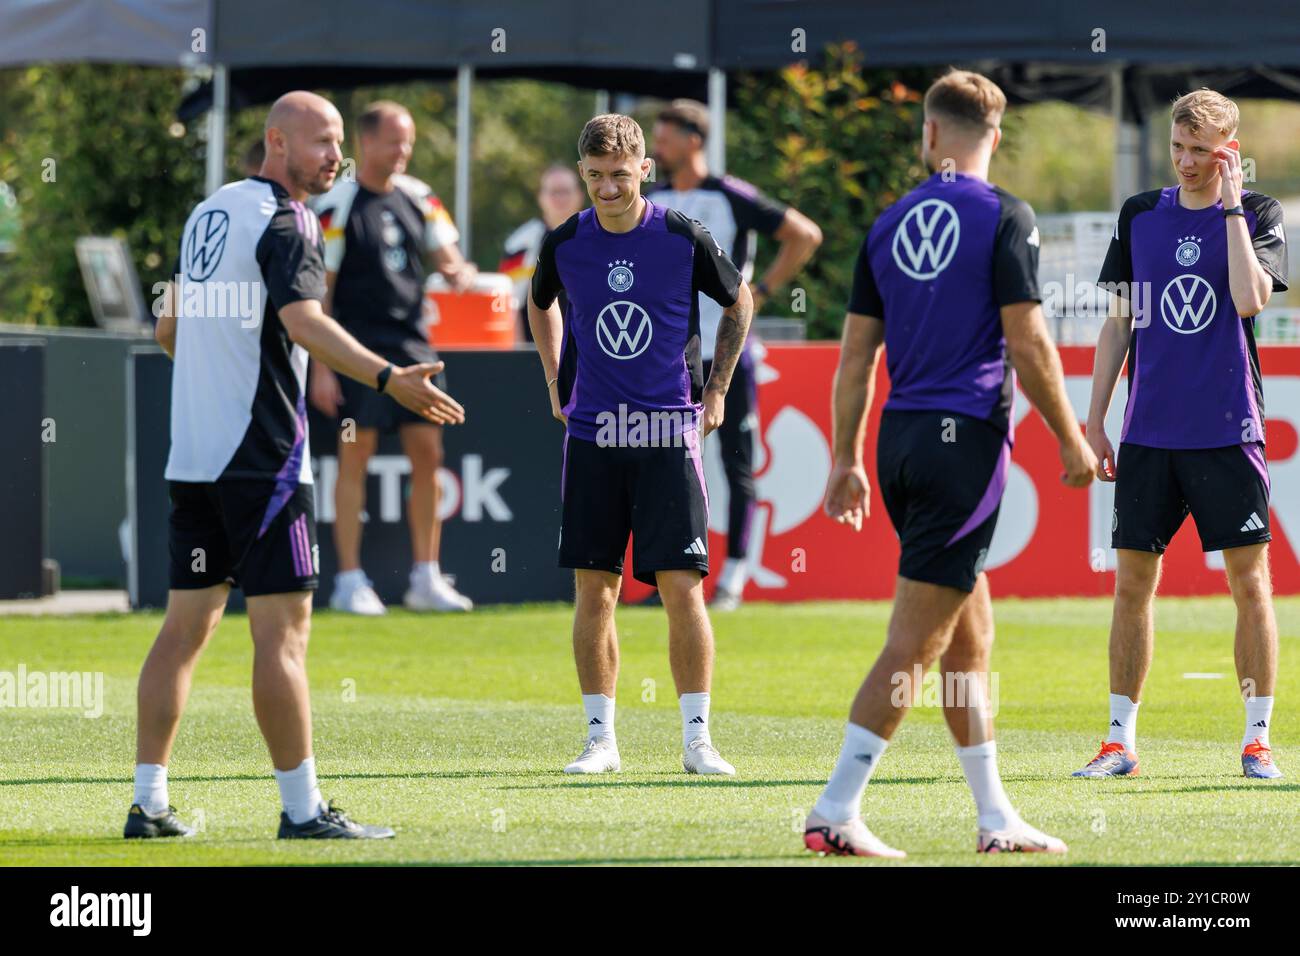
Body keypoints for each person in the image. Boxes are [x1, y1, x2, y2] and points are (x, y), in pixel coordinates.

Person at [130, 91, 464, 840]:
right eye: (321, 141)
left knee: (183, 629)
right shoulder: (290, 220)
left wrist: (224, 371)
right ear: (276, 143)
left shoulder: (208, 213)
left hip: (194, 458)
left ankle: (148, 803)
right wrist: (389, 378)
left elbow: (167, 329)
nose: (333, 156)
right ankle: (303, 810)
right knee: (282, 636)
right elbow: (305, 321)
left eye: (339, 140)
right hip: (263, 462)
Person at [805, 70, 1096, 857]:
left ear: (929, 134)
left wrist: (843, 459)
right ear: (993, 137)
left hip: (898, 445)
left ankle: (995, 816)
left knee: (969, 641)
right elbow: (1027, 339)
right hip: (963, 444)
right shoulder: (1005, 215)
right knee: (916, 646)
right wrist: (1070, 437)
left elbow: (856, 356)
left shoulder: (889, 221)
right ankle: (836, 807)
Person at [528, 113, 754, 775]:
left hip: (667, 434)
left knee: (682, 587)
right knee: (594, 589)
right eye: (594, 176)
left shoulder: (681, 235)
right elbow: (537, 301)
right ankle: (600, 740)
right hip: (594, 435)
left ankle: (697, 741)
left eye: (618, 175)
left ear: (644, 171)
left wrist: (715, 392)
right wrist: (552, 378)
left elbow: (738, 301)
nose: (606, 188)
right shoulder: (565, 241)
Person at [1074, 89, 1288, 780]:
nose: (1186, 162)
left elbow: (1250, 299)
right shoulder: (1141, 214)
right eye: (1178, 148)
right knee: (1132, 582)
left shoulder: (1256, 213)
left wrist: (1229, 204)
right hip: (1149, 434)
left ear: (1227, 149)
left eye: (1202, 150)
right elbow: (1119, 324)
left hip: (1229, 429)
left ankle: (1257, 742)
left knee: (1249, 583)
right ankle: (1118, 742)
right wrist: (1094, 417)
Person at [650, 99, 823, 609]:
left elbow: (804, 235)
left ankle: (734, 575)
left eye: (666, 137)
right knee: (671, 462)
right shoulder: (653, 199)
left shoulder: (729, 196)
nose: (658, 147)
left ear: (694, 140)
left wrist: (761, 292)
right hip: (671, 355)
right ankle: (676, 574)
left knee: (736, 461)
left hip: (727, 352)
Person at [310, 100, 478, 614]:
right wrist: (322, 364)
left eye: (408, 141)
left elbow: (450, 256)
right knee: (354, 456)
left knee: (429, 454)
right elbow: (321, 291)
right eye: (393, 140)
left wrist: (459, 273)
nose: (402, 150)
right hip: (354, 346)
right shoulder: (338, 206)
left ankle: (426, 577)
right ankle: (349, 580)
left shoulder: (421, 196)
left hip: (412, 344)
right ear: (366, 143)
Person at [499, 163, 585, 340]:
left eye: (566, 191)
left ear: (580, 195)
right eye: (554, 192)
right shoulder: (521, 242)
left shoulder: (600, 236)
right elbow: (509, 306)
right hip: (536, 354)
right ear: (540, 197)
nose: (561, 198)